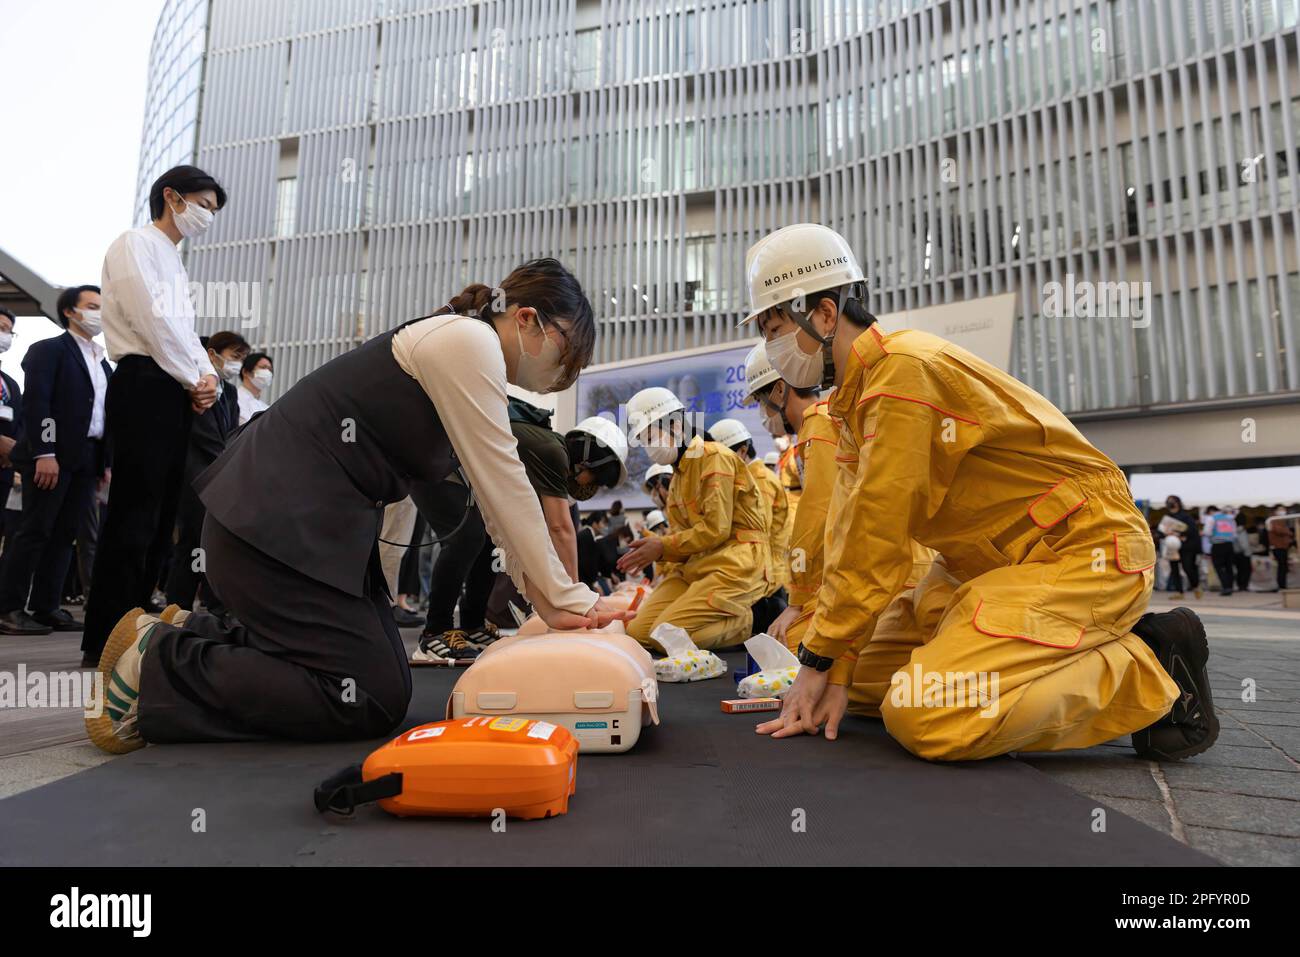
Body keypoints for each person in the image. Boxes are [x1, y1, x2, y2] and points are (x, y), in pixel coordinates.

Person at [86, 258, 630, 754]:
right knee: (365, 695)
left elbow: (495, 503)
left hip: (305, 528)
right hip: (274, 522)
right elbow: (503, 483)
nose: (570, 370)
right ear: (529, 319)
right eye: (571, 349)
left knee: (386, 678)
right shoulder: (469, 342)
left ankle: (193, 633)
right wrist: (563, 597)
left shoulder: (465, 346)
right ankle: (162, 666)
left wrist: (553, 598)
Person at [742, 223, 1216, 762]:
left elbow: (876, 536)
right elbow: (854, 540)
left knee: (925, 713)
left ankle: (1150, 666)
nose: (770, 347)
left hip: (1082, 553)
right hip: (985, 569)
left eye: (774, 327)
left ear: (825, 314)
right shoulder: (855, 406)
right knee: (866, 684)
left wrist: (816, 658)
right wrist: (836, 666)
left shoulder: (902, 375)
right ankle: (1032, 658)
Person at [80, 166, 227, 666]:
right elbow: (154, 323)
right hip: (145, 380)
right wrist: (194, 377)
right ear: (172, 196)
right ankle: (106, 633)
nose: (208, 215)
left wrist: (208, 377)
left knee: (164, 514)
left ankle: (137, 624)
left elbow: (186, 333)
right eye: (203, 204)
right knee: (134, 511)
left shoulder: (175, 262)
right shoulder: (135, 244)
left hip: (175, 386)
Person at [411, 407, 628, 665]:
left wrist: (561, 598)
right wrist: (575, 597)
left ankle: (472, 626)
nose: (593, 487)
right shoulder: (552, 453)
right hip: (432, 459)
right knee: (465, 538)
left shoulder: (543, 455)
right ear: (586, 461)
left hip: (459, 468)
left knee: (489, 542)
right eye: (597, 478)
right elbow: (560, 529)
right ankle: (435, 633)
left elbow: (528, 533)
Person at [616, 387, 769, 650]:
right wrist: (661, 555)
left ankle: (742, 621)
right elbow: (682, 538)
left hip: (733, 564)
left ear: (676, 426)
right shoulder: (677, 479)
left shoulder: (713, 457)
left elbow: (715, 529)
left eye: (651, 435)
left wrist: (662, 547)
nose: (648, 447)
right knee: (639, 634)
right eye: (643, 440)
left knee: (666, 639)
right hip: (696, 566)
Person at [0, 286, 112, 636]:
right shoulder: (49, 350)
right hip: (51, 457)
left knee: (65, 534)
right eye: (91, 306)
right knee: (34, 530)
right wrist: (44, 452)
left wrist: (103, 463)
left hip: (86, 458)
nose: (98, 313)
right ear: (70, 311)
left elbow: (103, 414)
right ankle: (8, 607)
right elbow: (39, 405)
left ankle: (47, 606)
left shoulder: (103, 361)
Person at [741, 340, 839, 653]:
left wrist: (797, 603)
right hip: (835, 577)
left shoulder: (819, 427)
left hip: (861, 580)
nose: (762, 412)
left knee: (789, 647)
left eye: (760, 399)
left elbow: (818, 515)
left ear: (780, 390)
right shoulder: (816, 427)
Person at [163, 331, 247, 612]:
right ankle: (177, 605)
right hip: (196, 474)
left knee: (215, 542)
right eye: (234, 357)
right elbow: (204, 435)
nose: (237, 364)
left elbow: (231, 432)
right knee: (192, 540)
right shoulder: (195, 385)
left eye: (242, 359)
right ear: (211, 355)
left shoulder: (230, 392)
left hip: (221, 474)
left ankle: (214, 603)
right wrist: (226, 462)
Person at [709, 417, 789, 634]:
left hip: (765, 579)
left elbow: (757, 532)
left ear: (742, 451)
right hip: (758, 572)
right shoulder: (747, 478)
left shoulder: (760, 480)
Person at [0, 309, 25, 575]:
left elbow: (20, 424)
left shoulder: (11, 384)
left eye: (8, 330)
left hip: (5, 469)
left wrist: (13, 451)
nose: (3, 334)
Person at [1205, 505, 1238, 596]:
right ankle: (1230, 587)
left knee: (1218, 566)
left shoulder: (1212, 518)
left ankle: (1225, 587)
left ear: (1211, 511)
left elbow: (1207, 532)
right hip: (1229, 544)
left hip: (1217, 545)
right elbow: (1235, 534)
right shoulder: (1230, 519)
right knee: (1229, 567)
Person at [237, 351, 272, 425]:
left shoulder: (265, 407)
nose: (268, 372)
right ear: (246, 372)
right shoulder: (235, 399)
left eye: (270, 369)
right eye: (263, 367)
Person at [1265, 506, 1294, 590]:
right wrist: (1289, 532)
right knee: (1282, 566)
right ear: (1276, 510)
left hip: (1283, 546)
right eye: (1281, 509)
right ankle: (1281, 586)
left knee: (1283, 566)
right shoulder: (1273, 519)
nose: (1283, 511)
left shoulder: (1281, 519)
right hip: (1278, 547)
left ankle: (1283, 585)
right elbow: (1278, 530)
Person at [1162, 531, 1184, 597]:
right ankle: (1178, 589)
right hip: (1173, 552)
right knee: (1175, 571)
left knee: (1179, 571)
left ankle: (1179, 589)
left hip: (1182, 550)